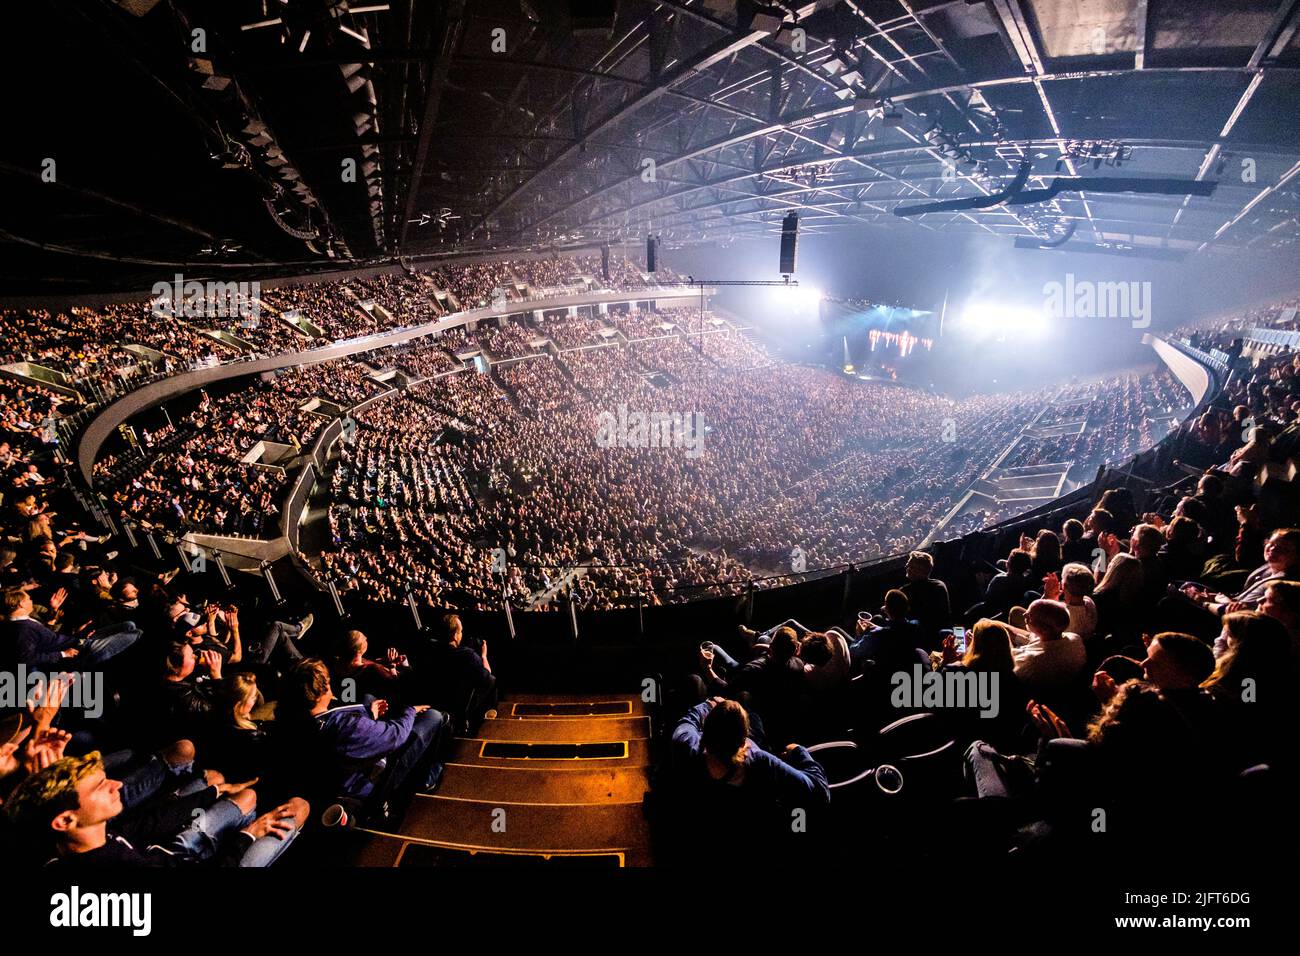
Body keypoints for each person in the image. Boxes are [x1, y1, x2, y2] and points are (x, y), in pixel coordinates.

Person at [3, 750, 308, 867]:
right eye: (100, 787)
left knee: (245, 796)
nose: (117, 785)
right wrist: (248, 836)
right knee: (298, 808)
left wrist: (213, 792)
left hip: (167, 852)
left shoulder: (80, 839)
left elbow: (150, 823)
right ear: (65, 819)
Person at [273, 658, 449, 817]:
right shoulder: (342, 726)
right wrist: (410, 711)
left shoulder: (291, 721)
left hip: (333, 774)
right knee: (433, 717)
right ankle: (427, 779)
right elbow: (395, 735)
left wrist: (368, 713)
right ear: (322, 690)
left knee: (368, 698)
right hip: (366, 785)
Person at [1005, 599, 1086, 694]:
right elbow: (1040, 646)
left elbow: (1007, 666)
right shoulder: (1075, 638)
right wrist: (1017, 638)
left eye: (1029, 616)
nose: (1024, 615)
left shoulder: (1031, 661)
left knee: (988, 625)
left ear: (1044, 630)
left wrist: (1006, 642)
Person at [900, 550, 950, 642]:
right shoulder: (940, 585)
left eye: (909, 565)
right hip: (938, 634)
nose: (906, 567)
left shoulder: (906, 591)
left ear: (917, 570)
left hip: (915, 636)